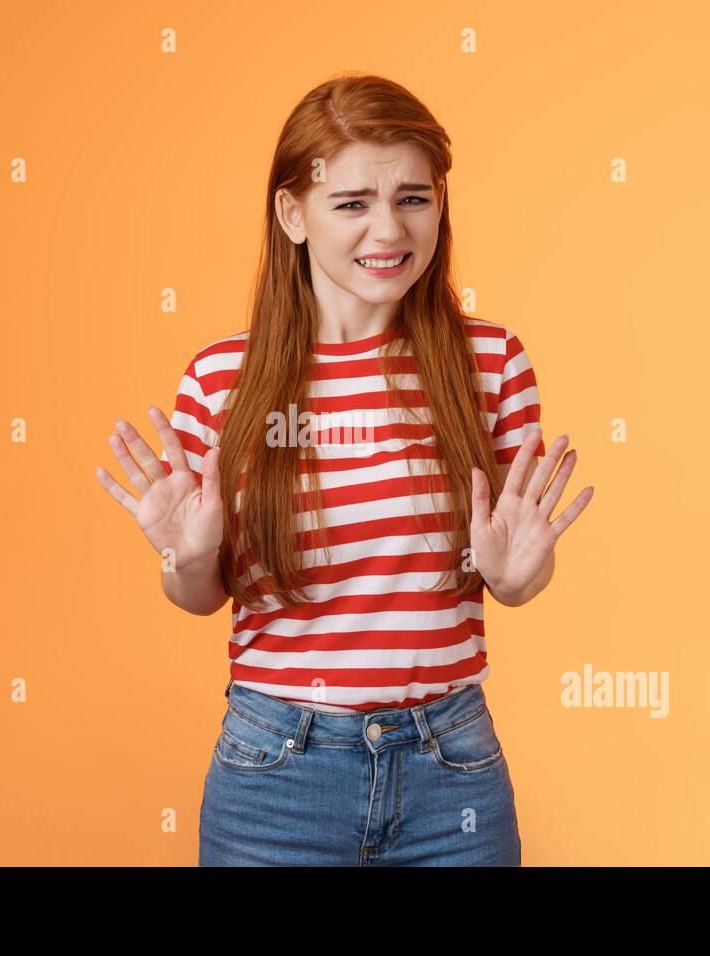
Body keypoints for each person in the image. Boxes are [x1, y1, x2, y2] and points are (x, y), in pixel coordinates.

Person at [95, 73, 593, 866]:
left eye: (414, 198)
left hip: (450, 767)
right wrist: (185, 559)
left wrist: (519, 575)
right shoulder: (222, 381)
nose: (388, 230)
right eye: (352, 203)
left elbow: (514, 582)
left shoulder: (491, 363)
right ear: (293, 214)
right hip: (275, 776)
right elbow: (200, 595)